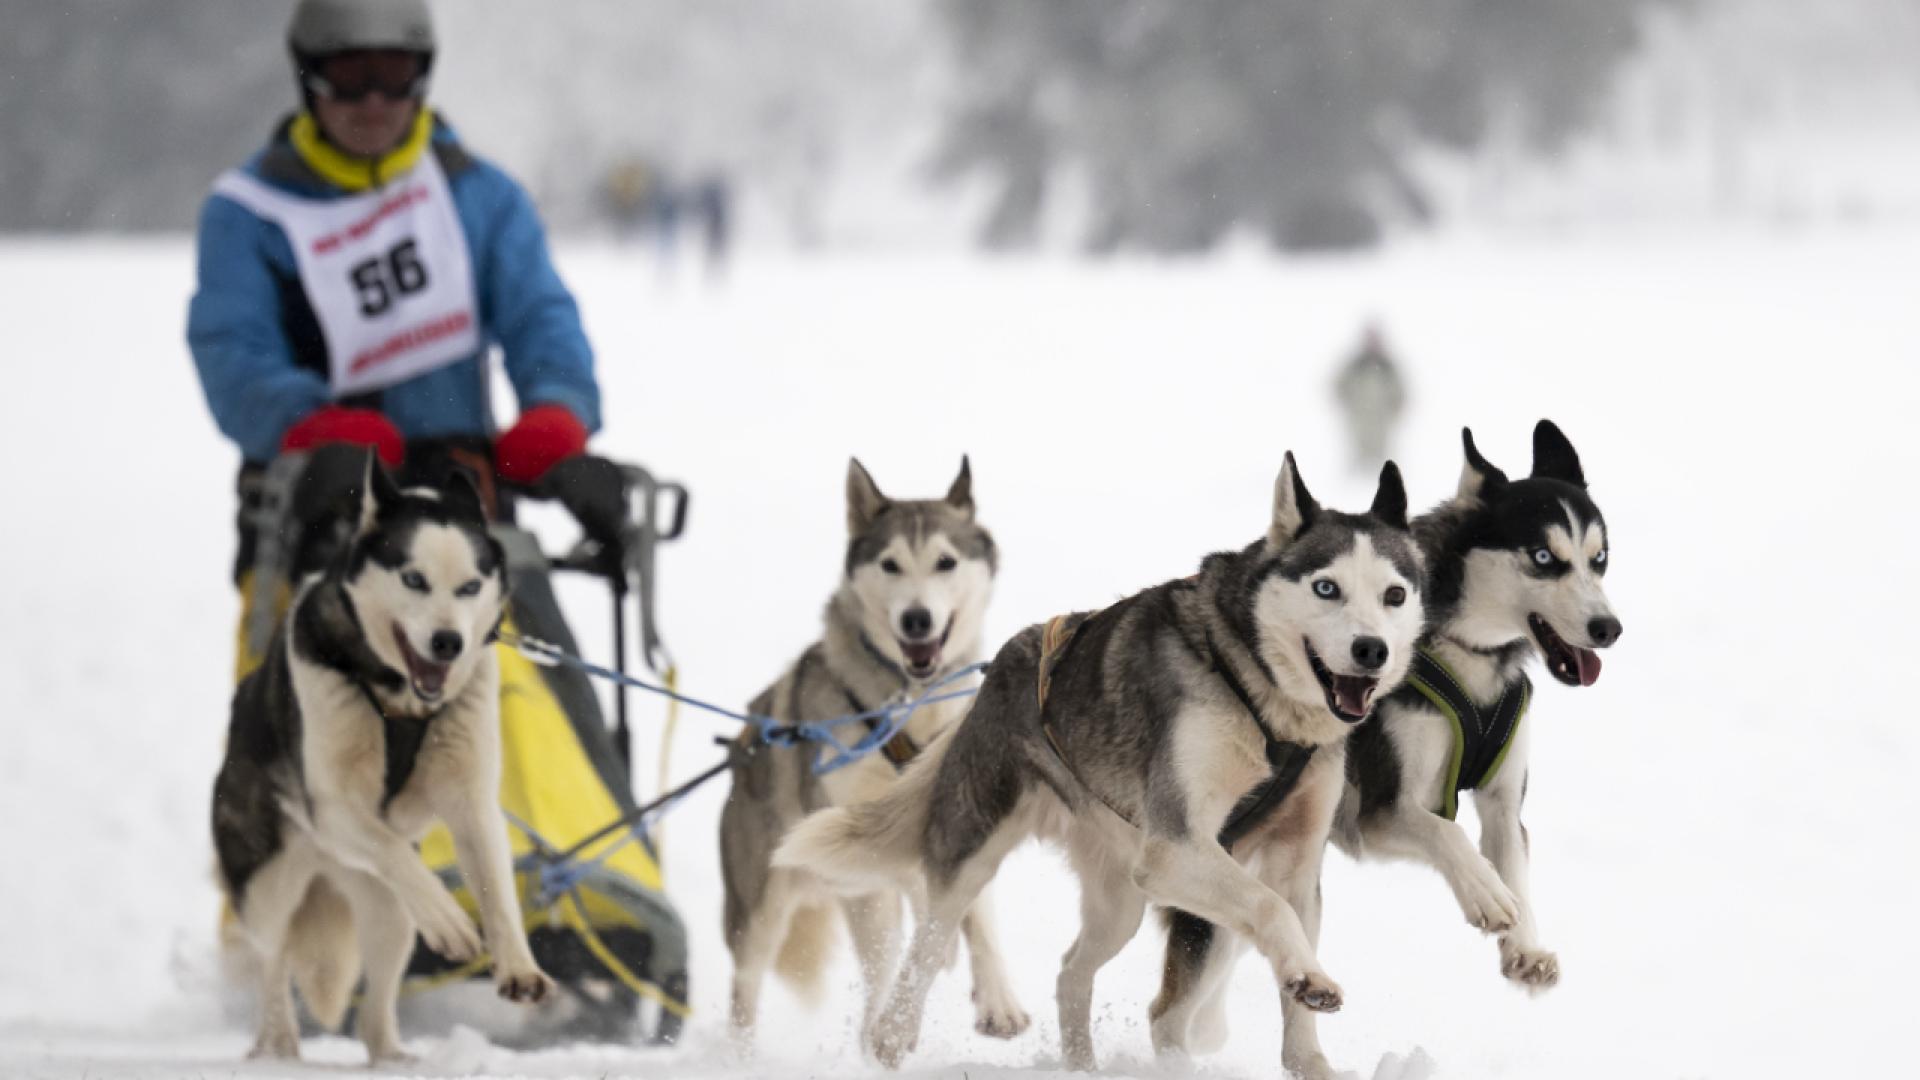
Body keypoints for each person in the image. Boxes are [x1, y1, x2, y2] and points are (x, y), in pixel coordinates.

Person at [187, 0, 622, 673]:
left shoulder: (480, 196)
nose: (374, 100)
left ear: (423, 75)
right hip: (317, 522)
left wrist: (557, 416)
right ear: (309, 77)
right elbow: (231, 350)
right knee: (312, 761)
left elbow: (541, 316)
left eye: (394, 73)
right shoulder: (250, 213)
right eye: (349, 75)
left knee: (539, 756)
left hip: (463, 530)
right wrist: (310, 426)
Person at [1333, 322, 1408, 474]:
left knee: (1381, 453)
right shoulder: (1356, 365)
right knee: (1359, 451)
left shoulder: (1388, 366)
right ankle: (1355, 481)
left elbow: (1400, 392)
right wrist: (1349, 405)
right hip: (1359, 417)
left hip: (1381, 419)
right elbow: (1339, 386)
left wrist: (1394, 410)